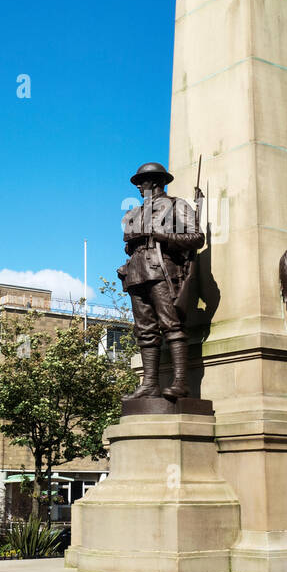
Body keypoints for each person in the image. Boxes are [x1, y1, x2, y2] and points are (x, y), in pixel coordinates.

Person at [118, 162, 204, 400]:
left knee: (172, 325)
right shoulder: (133, 213)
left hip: (161, 268)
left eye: (141, 182)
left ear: (155, 182)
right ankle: (150, 385)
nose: (138, 187)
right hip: (136, 274)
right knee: (144, 331)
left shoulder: (177, 205)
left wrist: (163, 236)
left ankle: (181, 382)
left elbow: (197, 237)